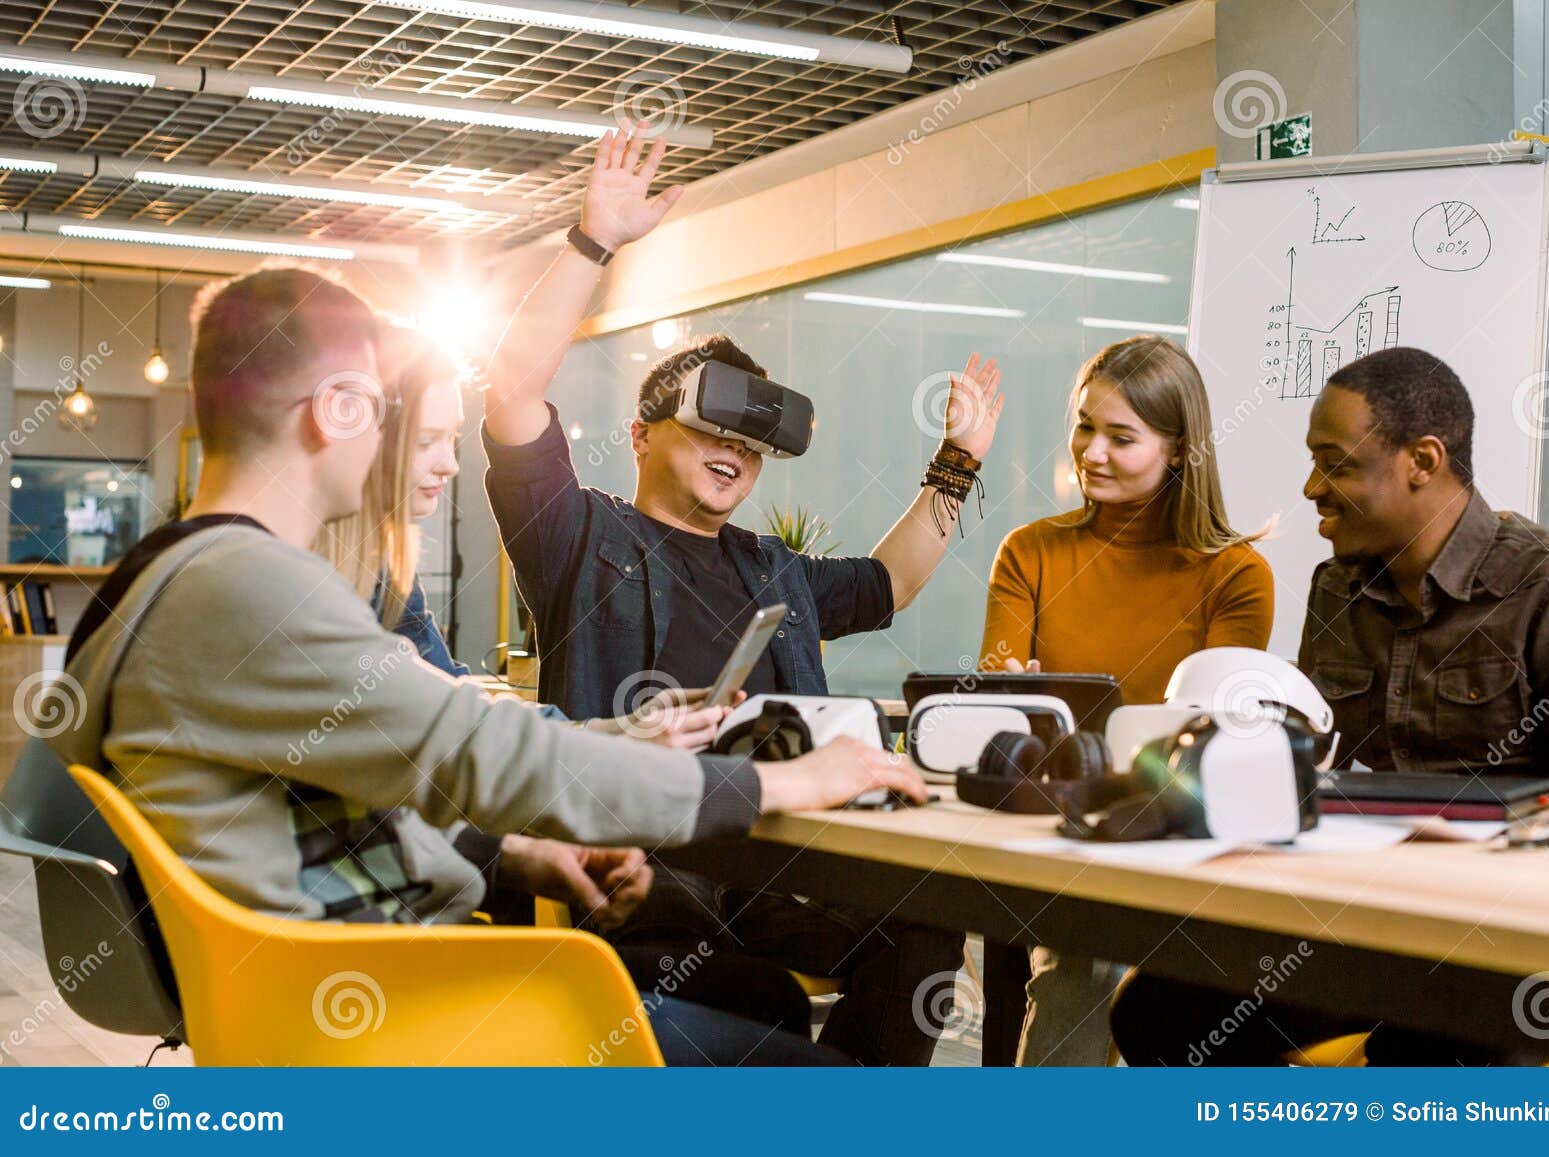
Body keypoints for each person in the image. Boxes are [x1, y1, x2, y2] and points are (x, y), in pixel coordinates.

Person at [54, 265, 929, 1067]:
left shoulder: (175, 574)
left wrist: (519, 857)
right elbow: (481, 753)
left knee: (767, 1006)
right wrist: (777, 782)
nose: (432, 459)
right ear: (339, 411)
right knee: (836, 1087)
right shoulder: (249, 589)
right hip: (377, 1014)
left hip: (338, 985)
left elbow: (360, 799)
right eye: (406, 427)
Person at [479, 124, 997, 1064]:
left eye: (754, 443)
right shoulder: (580, 536)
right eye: (712, 427)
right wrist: (594, 241)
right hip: (646, 873)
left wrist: (957, 461)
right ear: (643, 436)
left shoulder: (774, 568)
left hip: (775, 869)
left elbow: (894, 579)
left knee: (920, 924)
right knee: (756, 999)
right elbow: (511, 391)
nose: (737, 453)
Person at [315, 320, 814, 1036]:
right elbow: (426, 766)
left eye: (448, 441)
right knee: (770, 1010)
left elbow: (451, 740)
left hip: (417, 943)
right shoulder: (292, 596)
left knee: (775, 996)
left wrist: (530, 846)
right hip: (384, 984)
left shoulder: (380, 579)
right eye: (428, 441)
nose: (450, 464)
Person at [1109, 346, 1549, 1066]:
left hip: (1501, 946)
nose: (1312, 487)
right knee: (1157, 1015)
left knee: (1420, 1055)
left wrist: (1465, 861)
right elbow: (1310, 765)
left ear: (1423, 461)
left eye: (1335, 464)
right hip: (1366, 918)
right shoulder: (1337, 588)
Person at [979, 335, 1273, 1066]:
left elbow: (1211, 738)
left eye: (1122, 436)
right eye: (1085, 426)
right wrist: (1014, 693)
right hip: (1059, 828)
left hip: (1181, 838)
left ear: (1178, 451)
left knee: (1105, 956)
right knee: (1086, 952)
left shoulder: (1236, 575)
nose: (1092, 452)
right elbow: (999, 703)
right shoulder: (1029, 552)